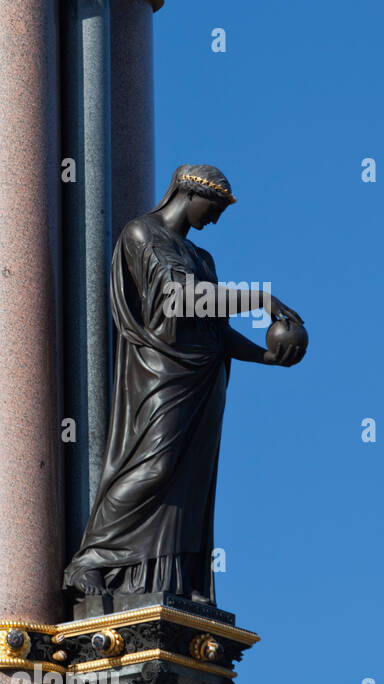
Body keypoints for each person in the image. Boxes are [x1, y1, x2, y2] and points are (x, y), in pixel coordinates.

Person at [63, 164, 305, 605]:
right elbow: (179, 297)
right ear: (188, 194)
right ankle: (92, 561)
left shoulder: (203, 259)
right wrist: (259, 298)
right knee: (153, 466)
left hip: (204, 381)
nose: (215, 220)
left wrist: (265, 355)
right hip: (160, 375)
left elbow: (212, 328)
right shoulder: (142, 234)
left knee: (190, 484)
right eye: (213, 208)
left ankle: (169, 576)